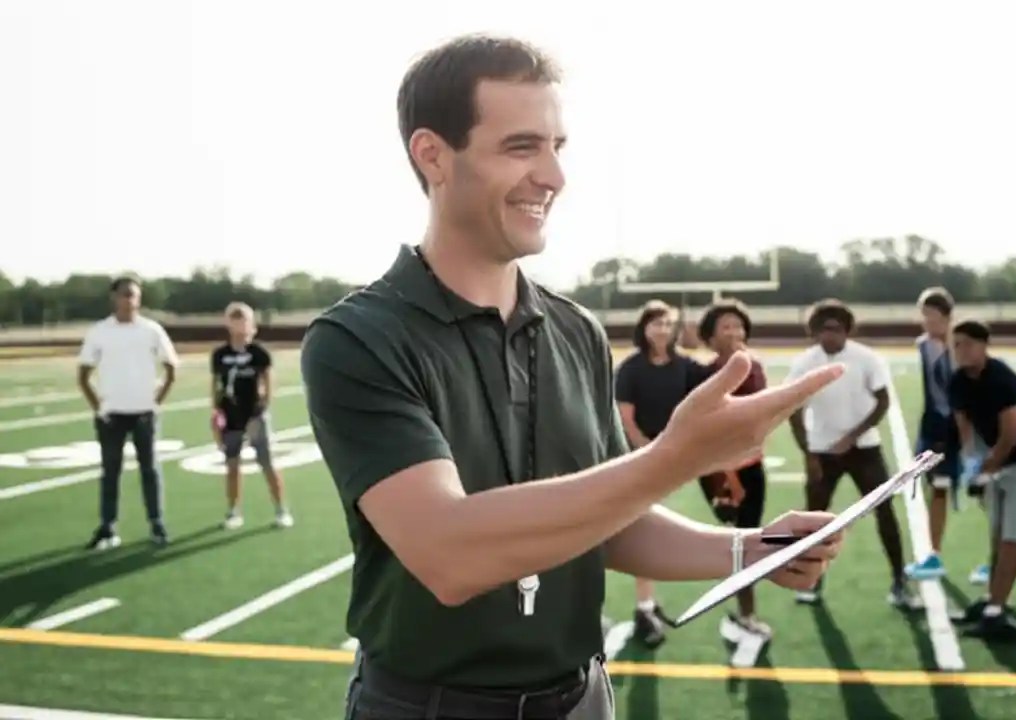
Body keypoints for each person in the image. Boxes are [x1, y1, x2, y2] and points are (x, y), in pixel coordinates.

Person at [299, 34, 847, 720]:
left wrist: (750, 550)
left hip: (584, 698)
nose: (554, 175)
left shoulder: (576, 330)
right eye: (522, 147)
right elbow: (448, 554)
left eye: (558, 146)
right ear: (433, 154)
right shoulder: (359, 338)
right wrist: (677, 457)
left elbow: (608, 520)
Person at [785, 299, 920, 609]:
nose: (830, 335)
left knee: (884, 512)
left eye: (836, 328)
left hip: (864, 449)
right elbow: (793, 408)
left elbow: (883, 401)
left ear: (846, 330)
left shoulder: (865, 358)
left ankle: (899, 580)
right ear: (815, 331)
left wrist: (852, 437)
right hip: (821, 450)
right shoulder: (806, 361)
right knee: (814, 520)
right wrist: (808, 453)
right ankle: (811, 581)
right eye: (823, 329)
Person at [946, 319, 1016, 641]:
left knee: (1015, 534)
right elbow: (966, 429)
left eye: (967, 343)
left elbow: (1010, 436)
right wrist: (971, 465)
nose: (961, 350)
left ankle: (997, 610)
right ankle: (993, 599)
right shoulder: (958, 381)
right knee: (997, 531)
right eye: (956, 344)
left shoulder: (1002, 379)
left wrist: (985, 471)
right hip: (994, 458)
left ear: (983, 345)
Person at [612, 299, 706, 648]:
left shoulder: (684, 365)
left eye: (668, 324)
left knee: (645, 529)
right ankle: (643, 609)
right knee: (640, 531)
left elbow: (713, 383)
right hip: (638, 458)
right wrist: (652, 451)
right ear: (644, 329)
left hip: (665, 458)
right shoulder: (631, 369)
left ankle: (647, 604)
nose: (663, 330)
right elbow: (626, 419)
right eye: (656, 324)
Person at [693, 298, 774, 645]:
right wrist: (728, 476)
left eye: (739, 325)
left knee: (746, 540)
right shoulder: (706, 373)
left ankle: (744, 611)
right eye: (726, 326)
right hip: (718, 470)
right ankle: (744, 612)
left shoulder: (754, 367)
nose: (735, 332)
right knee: (736, 541)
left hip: (750, 466)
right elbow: (707, 428)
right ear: (710, 337)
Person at [76, 275, 178, 549]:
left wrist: (157, 401)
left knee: (150, 470)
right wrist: (99, 407)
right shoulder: (100, 331)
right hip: (112, 415)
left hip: (144, 412)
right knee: (110, 472)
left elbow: (171, 368)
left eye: (134, 294)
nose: (130, 300)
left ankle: (156, 523)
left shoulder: (151, 330)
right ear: (114, 297)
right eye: (125, 294)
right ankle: (108, 527)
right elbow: (83, 374)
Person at [904, 287, 990, 586]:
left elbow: (968, 396)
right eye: (923, 315)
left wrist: (969, 440)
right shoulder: (923, 345)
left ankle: (997, 556)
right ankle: (933, 554)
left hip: (968, 426)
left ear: (947, 317)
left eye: (932, 316)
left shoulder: (963, 347)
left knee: (985, 491)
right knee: (937, 487)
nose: (926, 321)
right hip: (937, 427)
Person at [210, 302, 294, 530]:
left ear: (251, 324)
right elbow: (215, 386)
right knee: (232, 464)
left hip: (255, 415)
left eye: (243, 318)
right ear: (227, 323)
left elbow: (268, 383)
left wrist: (262, 409)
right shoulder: (220, 354)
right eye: (234, 318)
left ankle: (281, 509)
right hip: (231, 416)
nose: (239, 323)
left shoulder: (259, 353)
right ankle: (233, 511)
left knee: (267, 462)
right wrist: (216, 414)